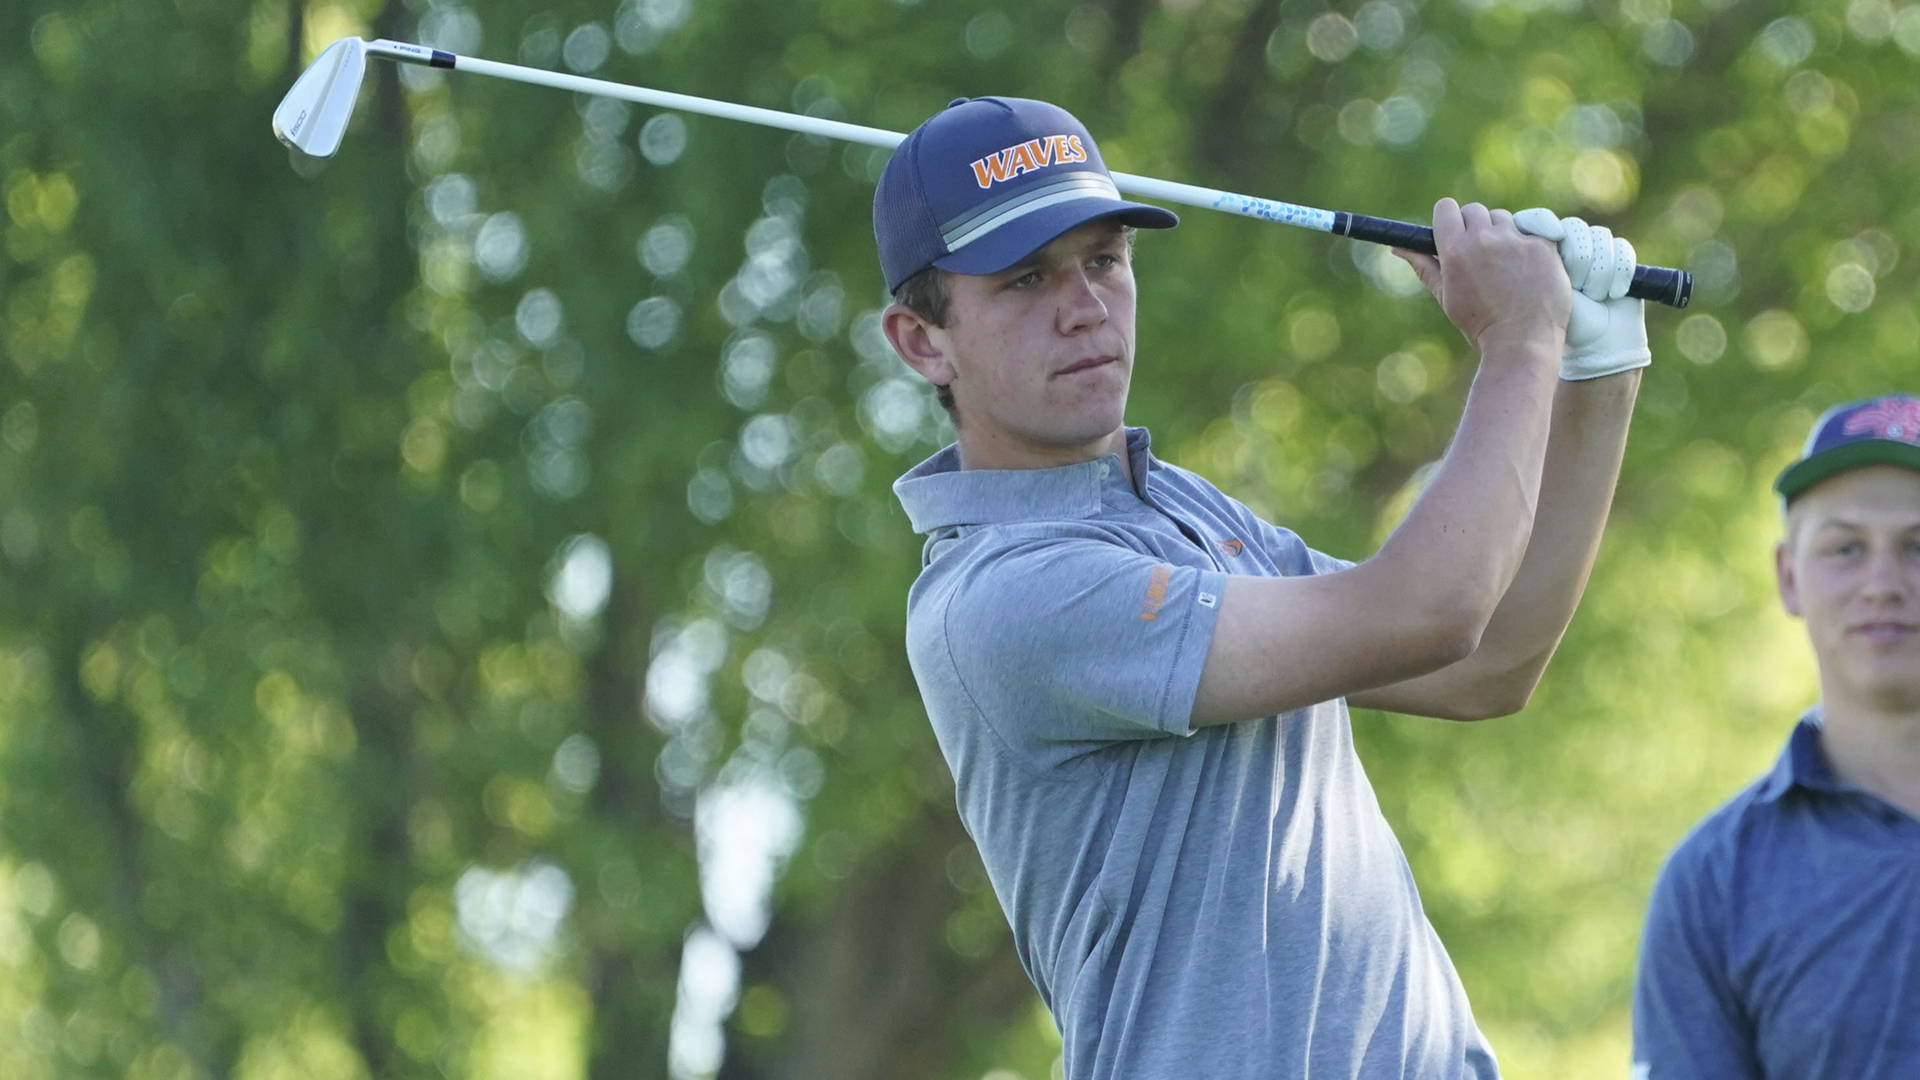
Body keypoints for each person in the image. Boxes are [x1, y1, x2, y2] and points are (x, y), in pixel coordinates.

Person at [875, 96, 1649, 1079]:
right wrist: (1518, 345)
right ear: (921, 341)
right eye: (1025, 280)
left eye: (1105, 260)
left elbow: (1486, 663)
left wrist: (1596, 371)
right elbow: (1427, 610)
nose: (1084, 308)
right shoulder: (1001, 598)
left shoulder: (1184, 511)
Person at [1631, 394, 1920, 1080]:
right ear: (1789, 577)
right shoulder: (1715, 882)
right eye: (1846, 548)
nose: (1883, 583)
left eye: (1919, 545)